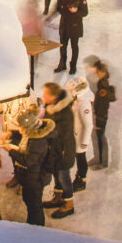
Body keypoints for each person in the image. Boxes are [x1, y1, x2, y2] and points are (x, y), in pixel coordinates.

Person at [6, 113, 59, 228]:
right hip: (31, 177)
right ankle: (32, 224)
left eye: (20, 126)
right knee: (28, 199)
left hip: (35, 178)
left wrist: (10, 151)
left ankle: (36, 229)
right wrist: (11, 136)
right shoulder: (32, 134)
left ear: (27, 127)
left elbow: (28, 161)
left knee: (34, 205)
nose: (19, 128)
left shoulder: (38, 141)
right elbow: (24, 145)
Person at [39, 84, 80, 216]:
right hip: (55, 149)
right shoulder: (51, 108)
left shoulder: (65, 113)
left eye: (46, 95)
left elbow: (60, 133)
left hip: (63, 150)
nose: (43, 97)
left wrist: (43, 131)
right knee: (57, 173)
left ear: (54, 97)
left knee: (64, 177)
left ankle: (69, 204)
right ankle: (58, 197)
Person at [84, 57, 117, 170]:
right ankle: (98, 158)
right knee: (98, 137)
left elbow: (102, 104)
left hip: (101, 116)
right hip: (99, 115)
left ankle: (102, 162)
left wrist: (99, 120)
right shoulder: (101, 82)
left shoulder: (102, 85)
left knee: (100, 137)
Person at [65, 75, 96, 192]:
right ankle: (80, 178)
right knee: (79, 158)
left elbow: (88, 125)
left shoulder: (84, 104)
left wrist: (84, 142)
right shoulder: (78, 100)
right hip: (76, 135)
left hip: (79, 138)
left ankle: (81, 180)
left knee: (81, 158)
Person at [54, 0, 88, 74]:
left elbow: (85, 13)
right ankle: (62, 64)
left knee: (74, 46)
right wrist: (64, 11)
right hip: (64, 25)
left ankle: (73, 67)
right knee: (62, 46)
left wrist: (75, 11)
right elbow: (58, 8)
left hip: (75, 26)